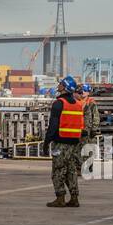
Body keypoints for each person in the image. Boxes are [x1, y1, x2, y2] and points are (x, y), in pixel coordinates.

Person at [43, 76, 85, 207]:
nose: (58, 85)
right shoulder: (78, 105)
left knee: (58, 171)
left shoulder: (59, 103)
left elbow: (53, 125)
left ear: (65, 87)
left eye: (61, 83)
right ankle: (74, 197)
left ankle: (60, 198)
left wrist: (46, 143)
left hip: (60, 143)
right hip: (74, 143)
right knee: (71, 171)